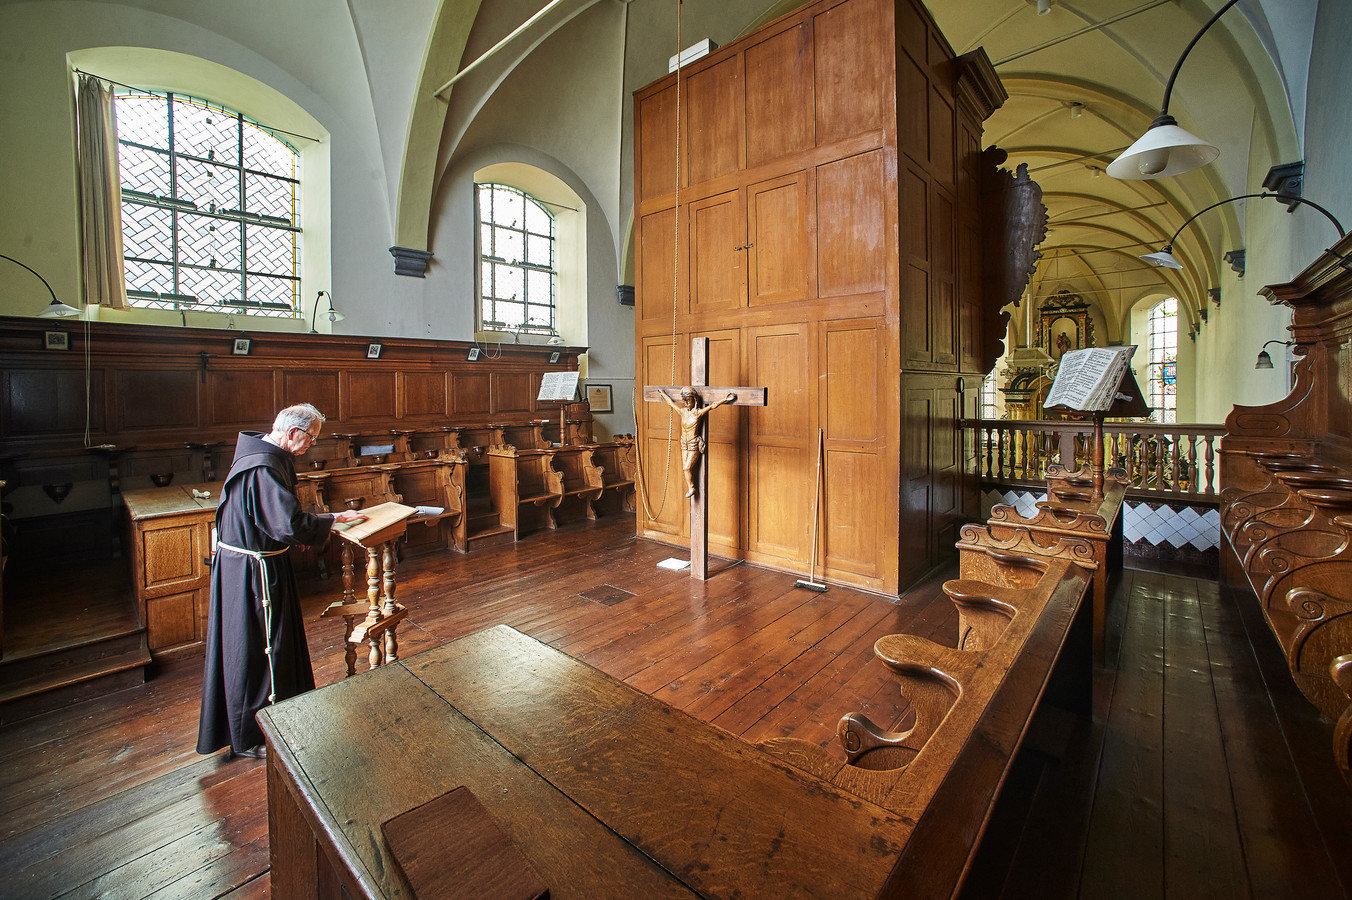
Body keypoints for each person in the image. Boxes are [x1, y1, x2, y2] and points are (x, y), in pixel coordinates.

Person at [197, 403, 364, 759]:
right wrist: (330, 520)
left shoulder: (262, 455)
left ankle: (269, 718)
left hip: (246, 565)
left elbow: (274, 518)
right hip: (253, 573)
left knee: (257, 643)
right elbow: (287, 525)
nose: (311, 447)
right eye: (311, 439)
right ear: (292, 433)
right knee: (259, 647)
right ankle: (255, 733)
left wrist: (323, 520)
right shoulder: (263, 467)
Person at [660, 388, 737, 498]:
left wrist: (725, 399)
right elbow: (671, 403)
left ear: (694, 400)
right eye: (685, 400)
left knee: (686, 468)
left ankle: (692, 487)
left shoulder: (698, 413)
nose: (686, 403)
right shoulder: (682, 412)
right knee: (685, 468)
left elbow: (713, 406)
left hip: (693, 444)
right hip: (683, 444)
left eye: (689, 400)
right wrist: (663, 394)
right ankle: (690, 487)